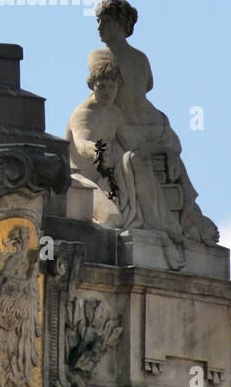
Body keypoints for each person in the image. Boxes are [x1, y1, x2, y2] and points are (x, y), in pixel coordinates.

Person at [93, 0, 218, 245]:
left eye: (105, 21)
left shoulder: (99, 56)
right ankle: (190, 212)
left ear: (121, 25)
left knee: (138, 158)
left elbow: (103, 93)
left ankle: (173, 218)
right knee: (171, 157)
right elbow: (148, 85)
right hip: (154, 122)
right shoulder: (141, 57)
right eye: (97, 21)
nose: (99, 27)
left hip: (128, 124)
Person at [66, 52, 186, 269]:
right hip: (80, 181)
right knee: (112, 219)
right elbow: (83, 144)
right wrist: (99, 152)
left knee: (134, 159)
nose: (107, 92)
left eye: (111, 87)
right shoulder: (83, 113)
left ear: (118, 87)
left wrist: (165, 148)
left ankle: (162, 224)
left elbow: (133, 143)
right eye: (102, 86)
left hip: (107, 177)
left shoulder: (114, 113)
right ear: (92, 86)